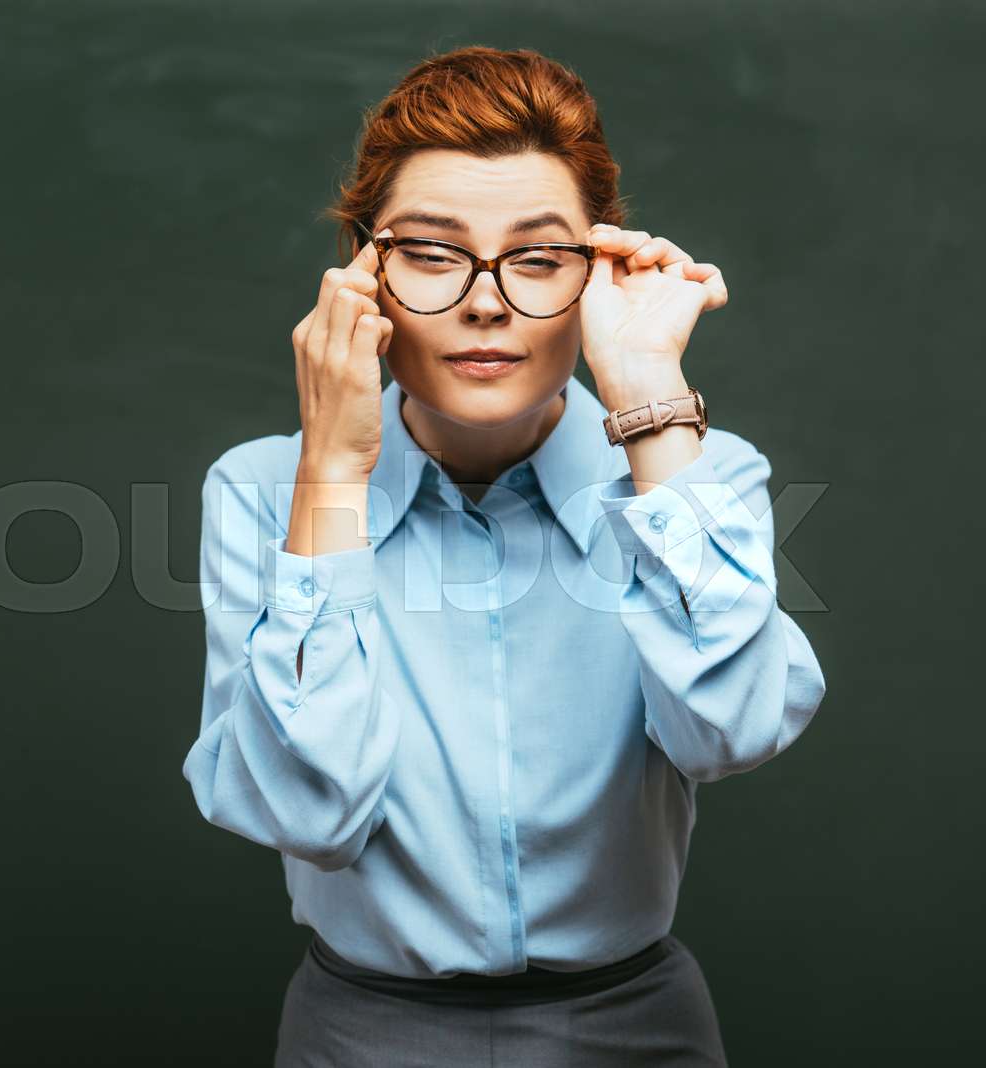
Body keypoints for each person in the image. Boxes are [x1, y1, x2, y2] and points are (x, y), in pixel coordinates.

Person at [180, 45, 826, 1067]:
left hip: (640, 1030)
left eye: (536, 258)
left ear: (595, 273)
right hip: (356, 1036)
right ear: (363, 277)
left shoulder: (697, 473)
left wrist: (649, 393)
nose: (486, 303)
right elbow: (308, 811)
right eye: (433, 253)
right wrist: (332, 476)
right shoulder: (262, 490)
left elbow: (734, 728)